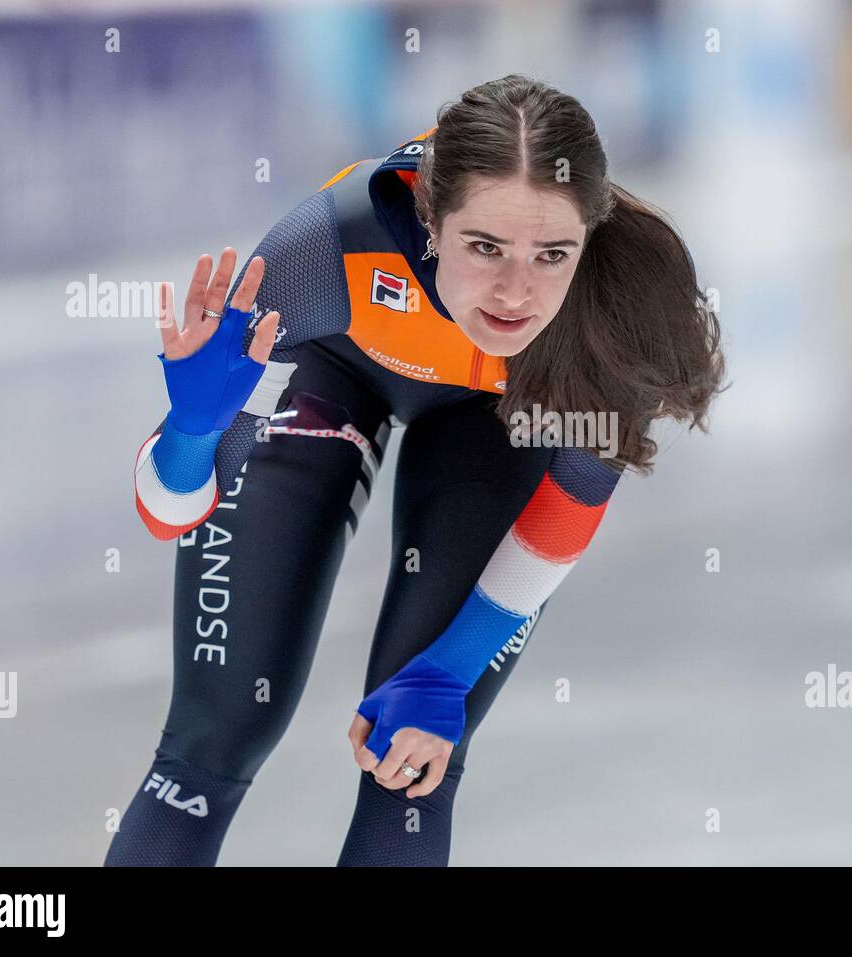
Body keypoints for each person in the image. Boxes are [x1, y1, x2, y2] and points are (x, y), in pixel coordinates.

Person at [104, 73, 726, 867]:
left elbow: (562, 520)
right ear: (431, 217)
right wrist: (193, 431)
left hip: (498, 421)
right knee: (211, 737)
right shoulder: (318, 254)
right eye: (485, 247)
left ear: (588, 239)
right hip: (336, 370)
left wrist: (449, 672)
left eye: (552, 254)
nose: (515, 292)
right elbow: (169, 511)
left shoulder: (612, 308)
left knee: (412, 758)